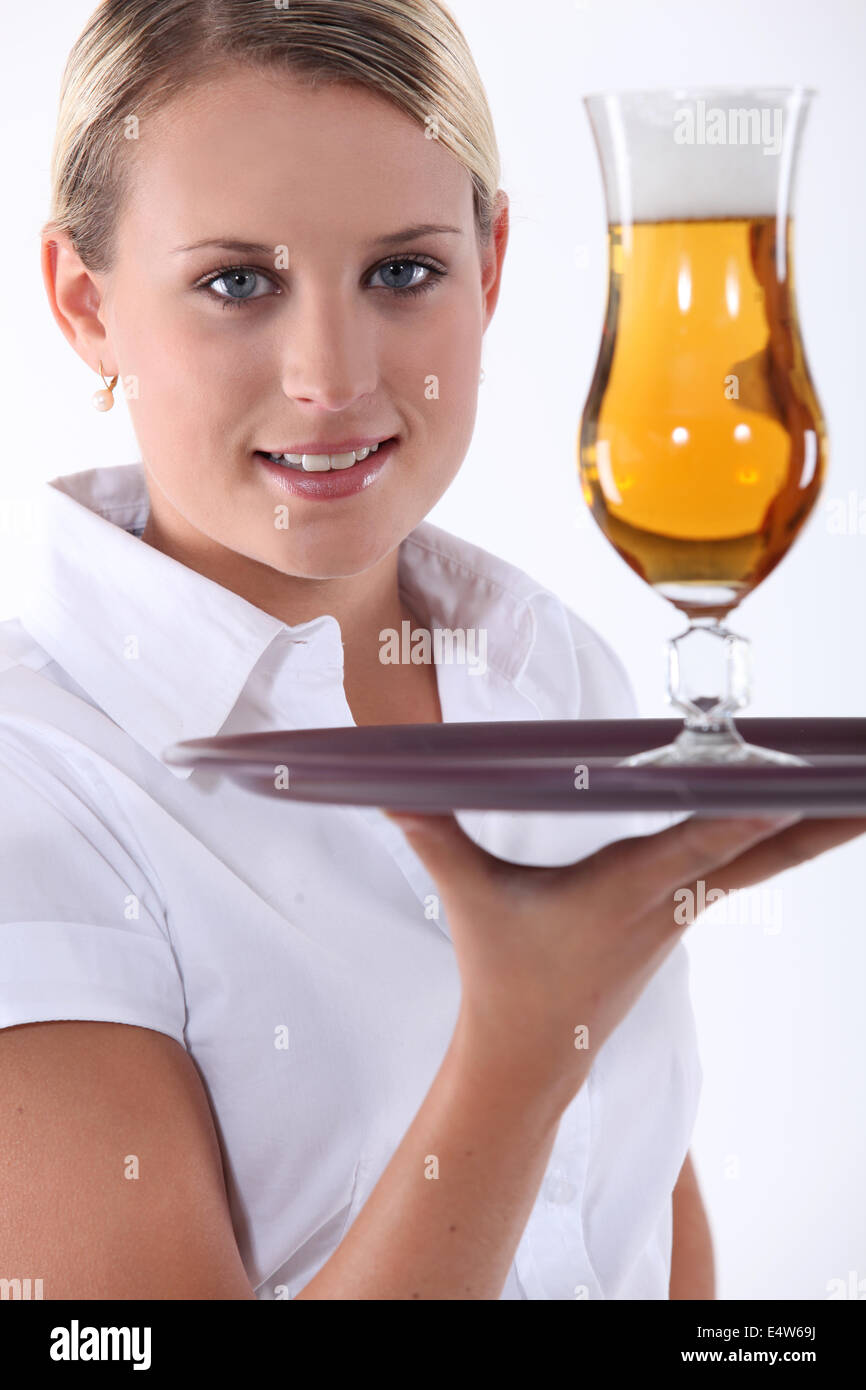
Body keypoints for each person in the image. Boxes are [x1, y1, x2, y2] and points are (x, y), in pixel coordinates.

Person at [1, 0, 862, 1302]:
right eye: (238, 281)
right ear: (85, 303)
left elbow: (638, 1207)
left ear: (491, 261)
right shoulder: (38, 783)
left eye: (402, 271)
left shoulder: (550, 672)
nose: (332, 375)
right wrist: (515, 1054)